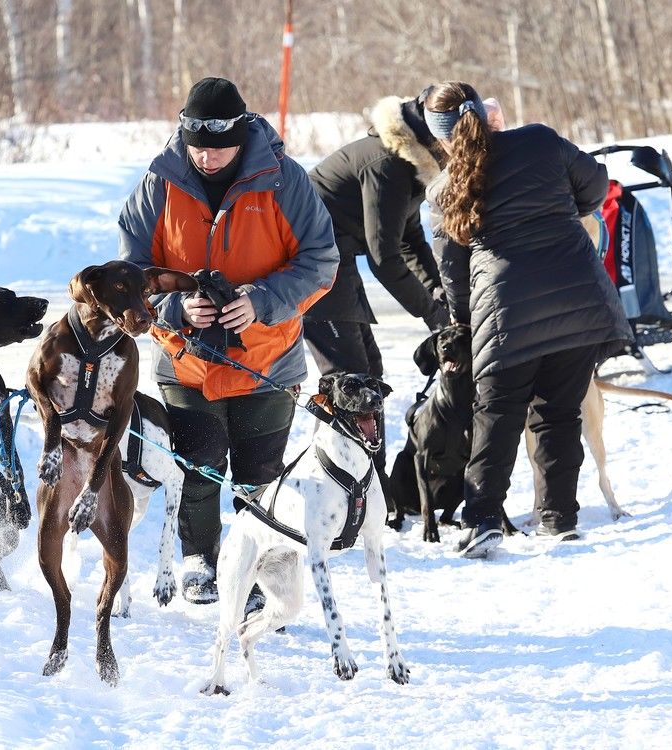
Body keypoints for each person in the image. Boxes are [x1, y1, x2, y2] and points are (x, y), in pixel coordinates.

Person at [118, 77, 337, 603]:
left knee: (257, 477)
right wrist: (174, 307)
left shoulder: (284, 181)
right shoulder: (160, 182)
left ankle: (253, 570)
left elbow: (320, 262)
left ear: (242, 137)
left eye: (220, 147)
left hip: (267, 358)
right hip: (186, 359)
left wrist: (260, 302)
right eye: (198, 147)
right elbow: (128, 273)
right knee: (199, 463)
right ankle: (199, 558)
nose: (208, 158)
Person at [423, 81, 631, 558]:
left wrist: (466, 325)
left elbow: (453, 273)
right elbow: (597, 184)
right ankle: (559, 519)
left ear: (441, 137)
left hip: (506, 315)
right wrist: (563, 212)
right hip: (578, 300)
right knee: (558, 411)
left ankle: (480, 522)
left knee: (495, 416)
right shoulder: (539, 140)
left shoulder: (445, 189)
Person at [305, 88, 450, 384]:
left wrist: (440, 291)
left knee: (370, 372)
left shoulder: (411, 162)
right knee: (352, 381)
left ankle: (347, 429)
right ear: (435, 136)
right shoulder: (388, 166)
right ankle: (339, 431)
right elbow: (384, 259)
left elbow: (409, 238)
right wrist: (433, 314)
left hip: (336, 251)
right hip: (309, 256)